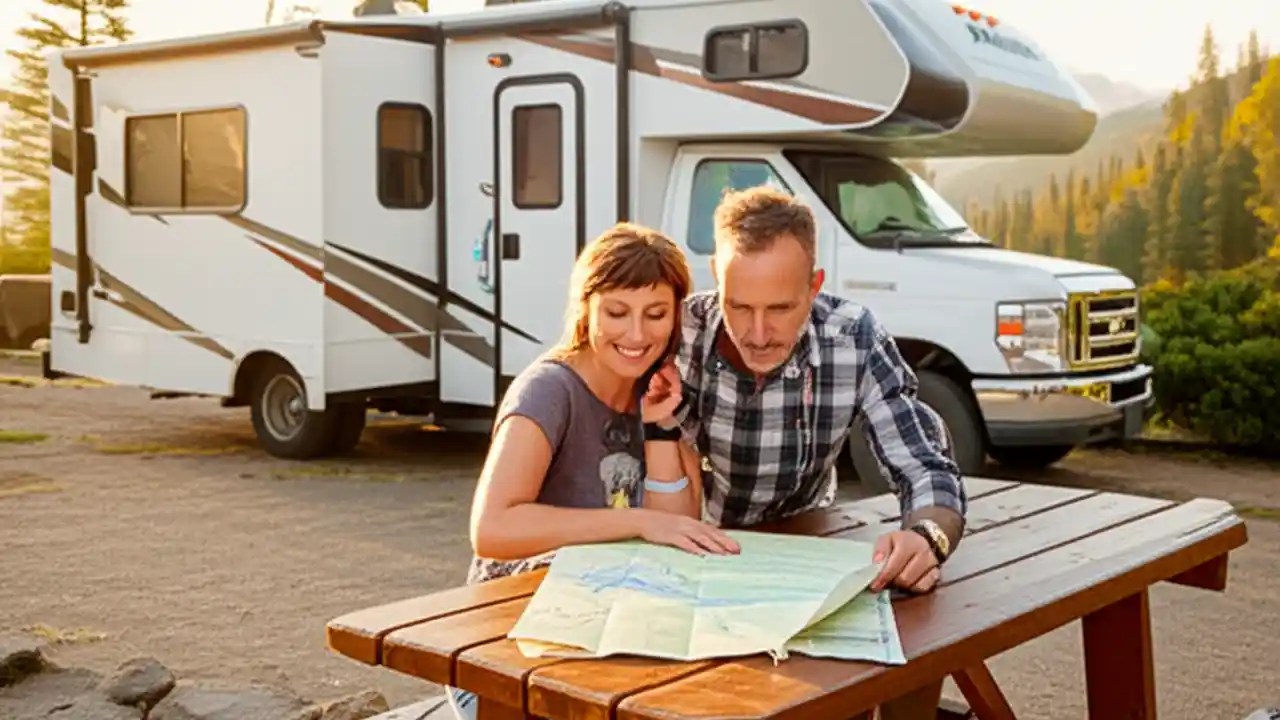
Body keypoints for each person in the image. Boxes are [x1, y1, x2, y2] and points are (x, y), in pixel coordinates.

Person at [644, 186, 967, 718]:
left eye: (780, 308)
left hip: (805, 555)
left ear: (815, 287)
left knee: (892, 667)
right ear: (716, 280)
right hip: (687, 567)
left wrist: (928, 537)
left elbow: (923, 463)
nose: (758, 332)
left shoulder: (855, 337)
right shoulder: (673, 333)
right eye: (738, 306)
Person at [447, 222, 740, 720]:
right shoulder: (548, 390)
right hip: (506, 656)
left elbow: (678, 527)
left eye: (656, 315)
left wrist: (660, 428)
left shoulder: (660, 391)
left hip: (610, 635)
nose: (636, 334)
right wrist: (636, 521)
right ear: (586, 307)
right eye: (617, 312)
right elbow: (492, 529)